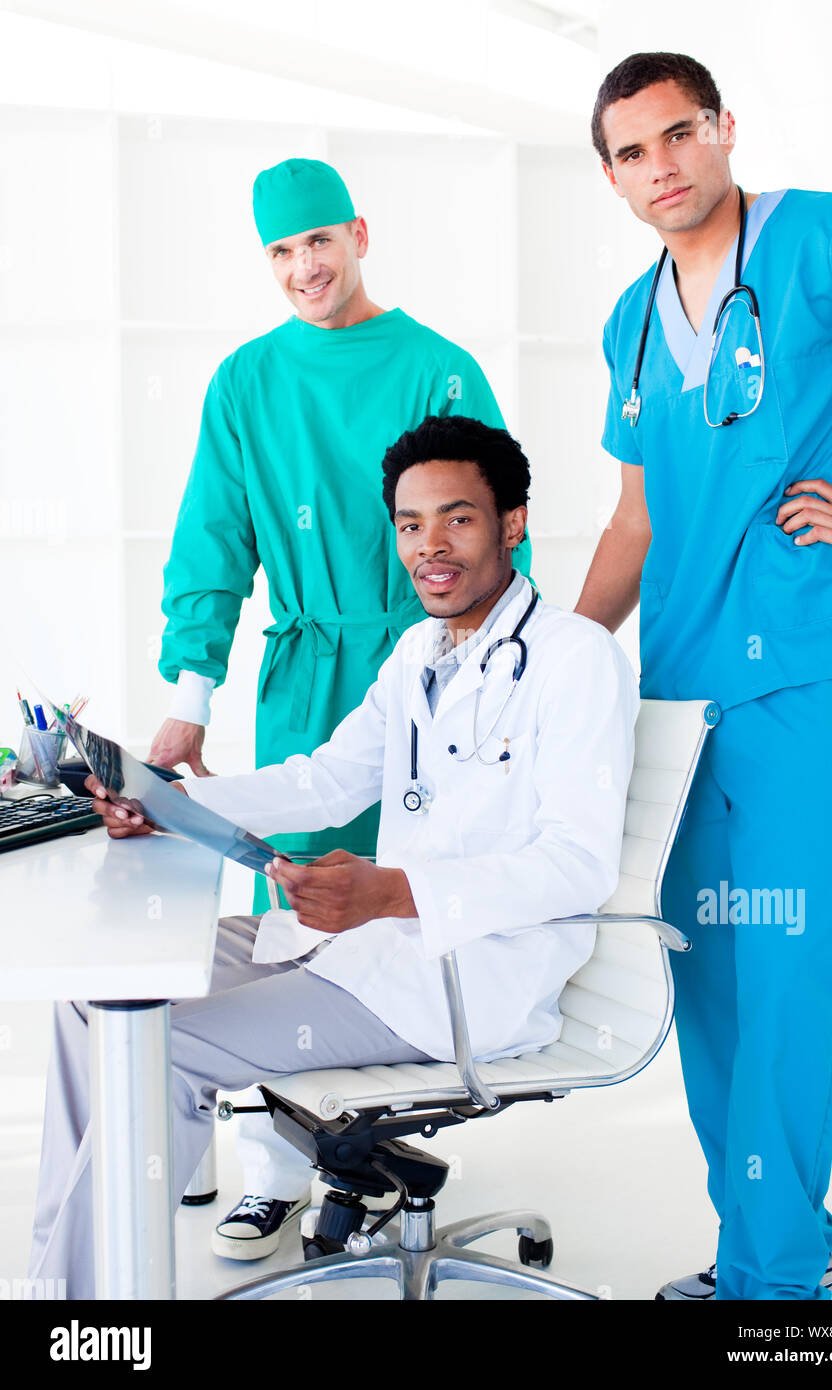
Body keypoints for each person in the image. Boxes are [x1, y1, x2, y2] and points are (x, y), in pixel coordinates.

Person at [28, 414, 637, 1301]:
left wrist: (393, 893)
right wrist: (169, 803)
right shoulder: (420, 650)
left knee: (156, 1049)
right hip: (361, 950)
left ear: (513, 524)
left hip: (462, 983)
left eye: (458, 519)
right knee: (96, 999)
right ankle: (54, 1278)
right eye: (410, 524)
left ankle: (89, 1315)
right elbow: (324, 783)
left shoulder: (574, 660)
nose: (430, 546)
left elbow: (577, 865)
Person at [150, 156, 533, 1251]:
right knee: (285, 923)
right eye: (280, 250)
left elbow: (492, 521)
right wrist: (191, 694)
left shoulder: (437, 368)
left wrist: (504, 683)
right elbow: (213, 536)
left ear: (359, 234)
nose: (303, 265)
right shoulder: (246, 382)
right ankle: (272, 1168)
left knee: (402, 932)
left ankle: (352, 1164)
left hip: (432, 671)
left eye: (319, 239)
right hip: (311, 684)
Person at [576, 51, 832, 1301]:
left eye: (678, 135)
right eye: (631, 152)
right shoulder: (630, 319)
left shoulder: (822, 240)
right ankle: (770, 1244)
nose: (661, 166)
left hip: (810, 668)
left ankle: (777, 1288)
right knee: (704, 969)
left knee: (785, 964)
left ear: (724, 129)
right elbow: (636, 523)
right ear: (610, 176)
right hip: (679, 681)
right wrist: (542, 649)